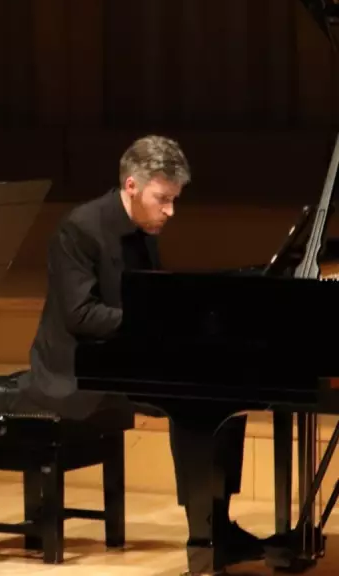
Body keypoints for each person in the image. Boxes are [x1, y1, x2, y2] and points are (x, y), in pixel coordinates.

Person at [18, 135, 265, 567]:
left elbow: (150, 295)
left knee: (225, 389)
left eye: (174, 200)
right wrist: (155, 323)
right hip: (73, 370)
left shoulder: (144, 227)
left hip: (122, 357)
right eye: (163, 199)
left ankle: (218, 520)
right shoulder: (79, 229)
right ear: (131, 186)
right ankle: (202, 538)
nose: (170, 211)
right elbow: (80, 316)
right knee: (193, 398)